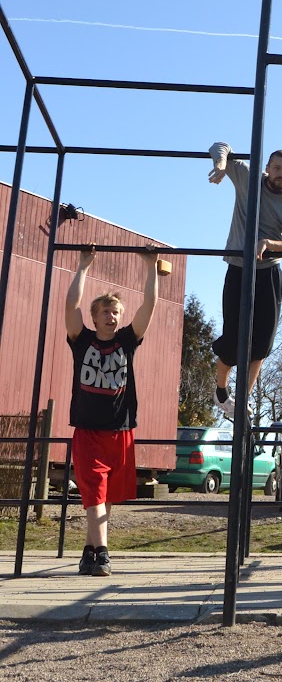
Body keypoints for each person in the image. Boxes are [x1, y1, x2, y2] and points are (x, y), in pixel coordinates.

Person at [64, 245, 161, 577]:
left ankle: (88, 551)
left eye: (116, 311)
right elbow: (70, 305)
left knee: (103, 496)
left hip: (120, 430)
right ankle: (103, 553)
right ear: (95, 317)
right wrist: (83, 266)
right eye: (105, 311)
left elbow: (149, 305)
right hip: (88, 430)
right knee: (93, 489)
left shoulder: (127, 341)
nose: (111, 316)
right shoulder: (82, 340)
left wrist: (150, 268)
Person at [207, 142, 282, 417]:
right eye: (276, 168)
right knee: (233, 338)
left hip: (268, 272)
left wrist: (269, 243)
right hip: (238, 268)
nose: (281, 174)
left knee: (261, 344)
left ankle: (242, 399)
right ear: (267, 169)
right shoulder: (249, 179)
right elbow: (219, 146)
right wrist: (220, 167)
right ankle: (221, 389)